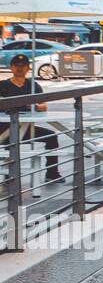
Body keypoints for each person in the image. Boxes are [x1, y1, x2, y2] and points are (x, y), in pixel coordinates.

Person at [0, 54, 62, 189]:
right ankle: (8, 174)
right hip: (4, 129)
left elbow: (43, 105)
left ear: (28, 68)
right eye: (16, 66)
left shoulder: (33, 85)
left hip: (28, 128)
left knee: (51, 136)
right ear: (11, 68)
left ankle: (52, 172)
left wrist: (34, 107)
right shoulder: (3, 85)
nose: (19, 69)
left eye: (23, 66)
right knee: (10, 143)